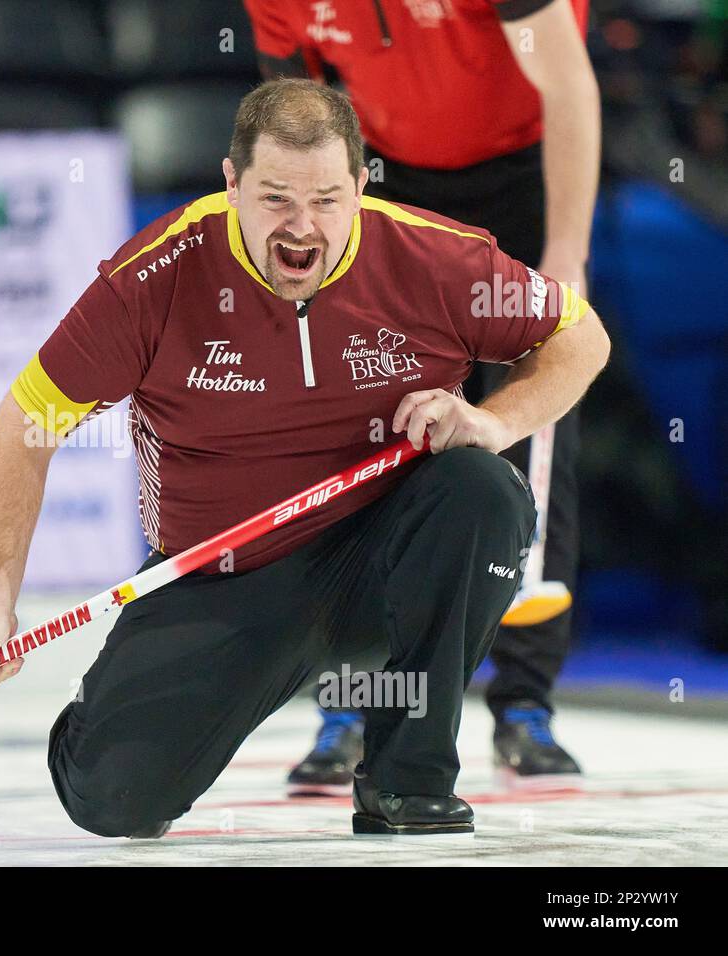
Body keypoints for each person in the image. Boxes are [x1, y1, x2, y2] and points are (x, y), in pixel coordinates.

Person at [0, 79, 609, 837]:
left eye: (325, 199)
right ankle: (118, 715)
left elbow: (580, 338)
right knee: (113, 801)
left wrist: (490, 420)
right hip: (223, 577)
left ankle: (406, 777)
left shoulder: (433, 259)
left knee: (484, 492)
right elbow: (27, 422)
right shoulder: (158, 276)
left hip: (376, 570)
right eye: (275, 199)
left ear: (360, 186)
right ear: (231, 184)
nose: (301, 226)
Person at [243, 0, 600, 787]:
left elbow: (569, 86)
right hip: (388, 188)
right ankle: (348, 704)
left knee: (533, 440)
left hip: (519, 180)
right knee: (364, 428)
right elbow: (292, 127)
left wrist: (566, 255)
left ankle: (523, 705)